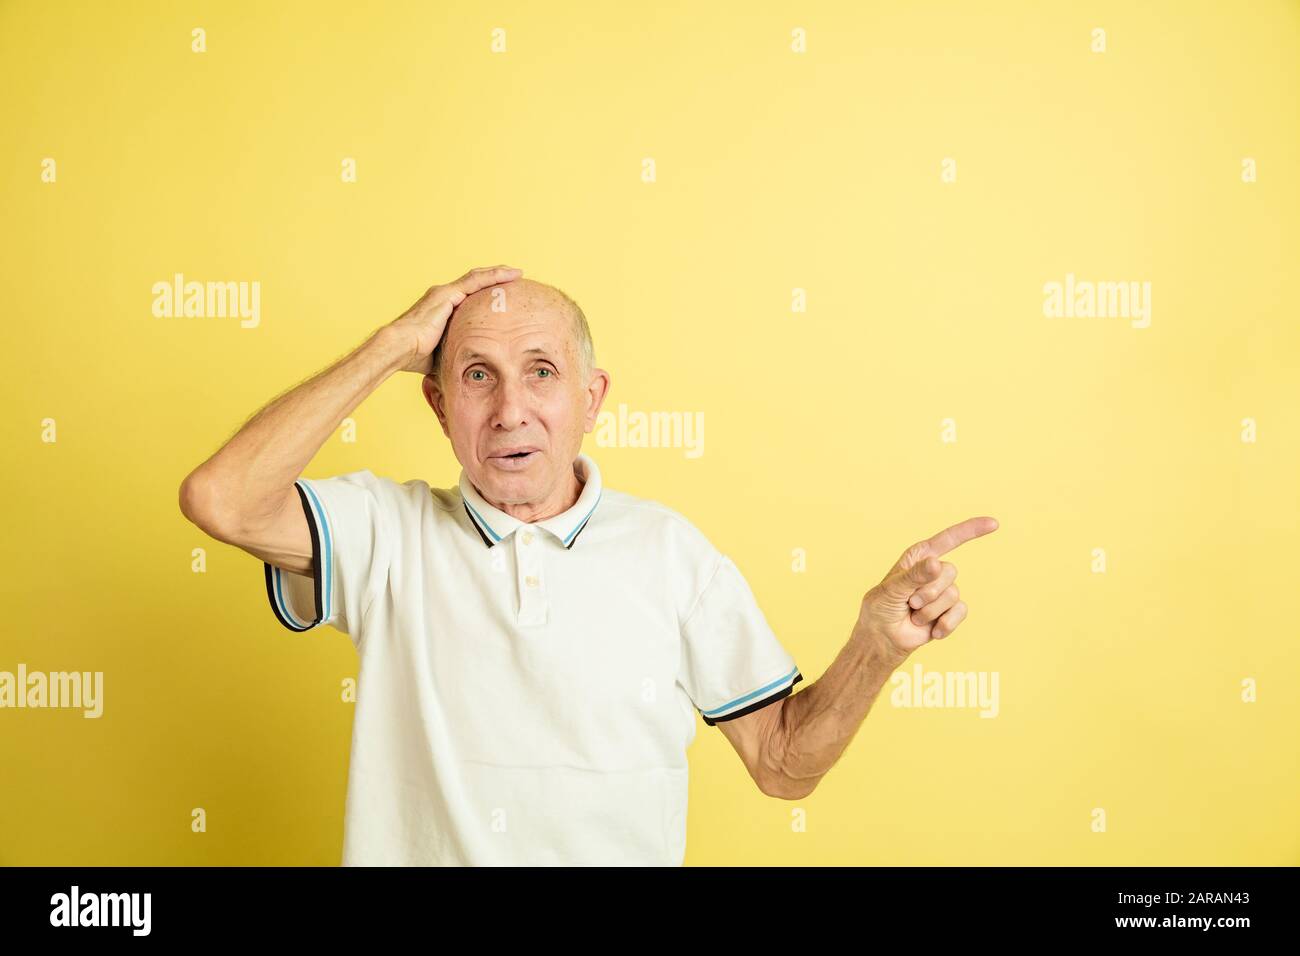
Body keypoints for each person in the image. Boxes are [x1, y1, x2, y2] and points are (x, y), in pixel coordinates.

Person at [178, 264, 999, 865]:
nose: (510, 411)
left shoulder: (672, 553)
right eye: (475, 377)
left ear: (592, 399)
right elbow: (223, 498)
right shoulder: (385, 534)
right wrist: (391, 345)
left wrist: (876, 647)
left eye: (541, 373)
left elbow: (784, 765)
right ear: (437, 404)